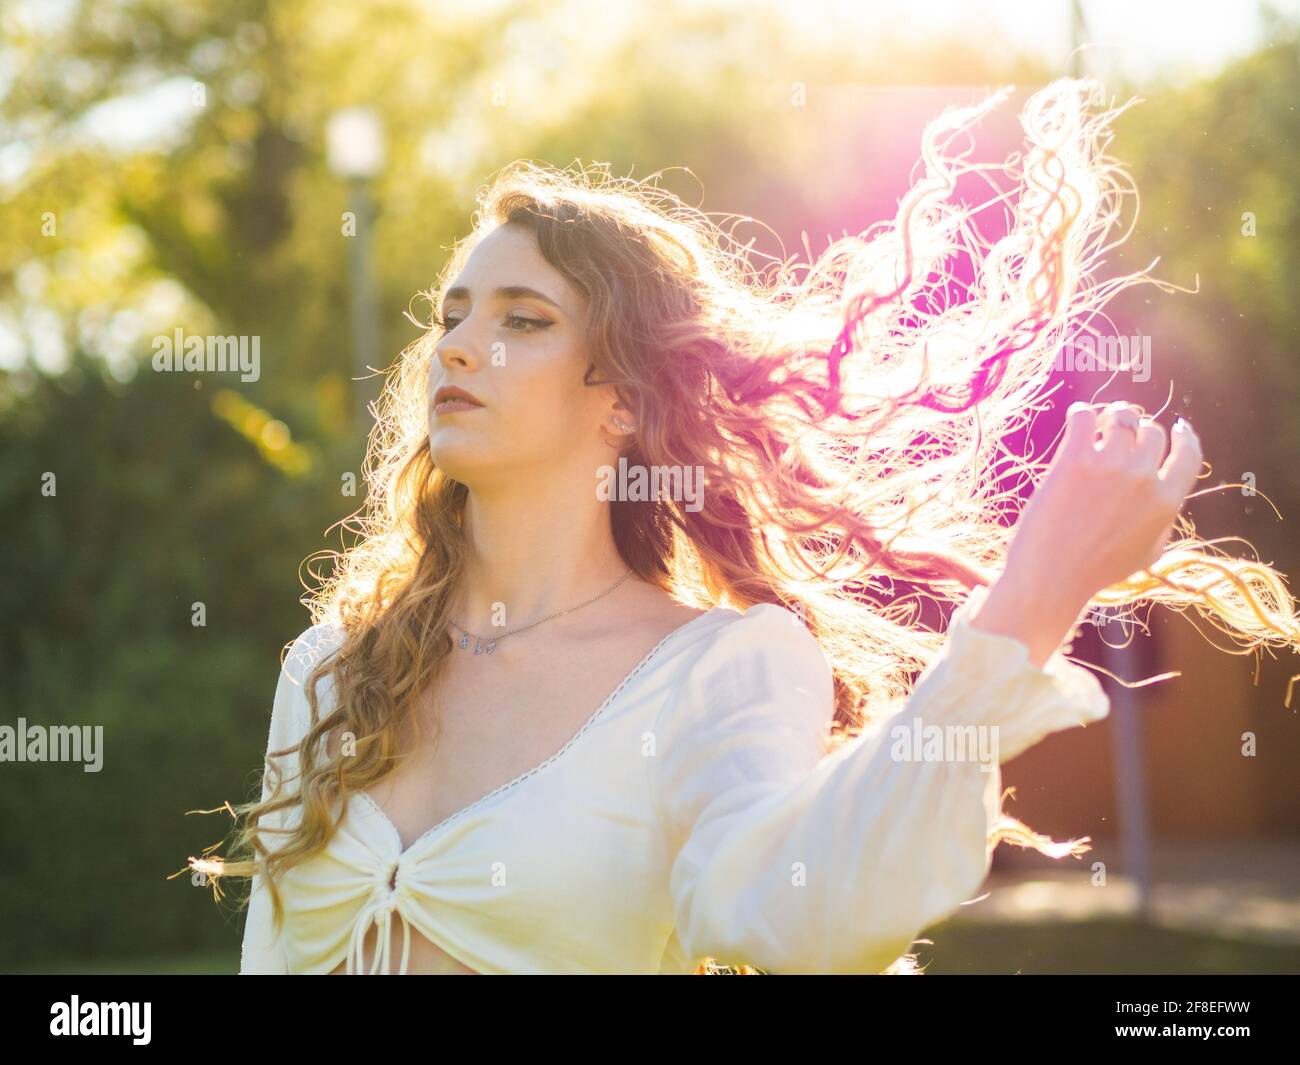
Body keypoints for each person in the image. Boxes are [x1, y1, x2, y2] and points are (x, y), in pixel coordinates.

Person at [189, 78, 1298, 974]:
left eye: (523, 320)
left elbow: (797, 914)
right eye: (454, 316)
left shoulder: (716, 671)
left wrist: (1034, 595)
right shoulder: (336, 667)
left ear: (620, 400)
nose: (463, 347)